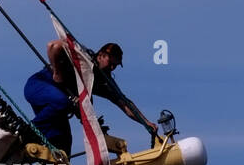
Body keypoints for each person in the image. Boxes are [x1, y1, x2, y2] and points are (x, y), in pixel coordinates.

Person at [24, 39, 158, 156]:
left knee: (63, 145)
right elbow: (53, 46)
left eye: (115, 66)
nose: (112, 68)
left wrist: (145, 122)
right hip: (39, 85)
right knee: (63, 102)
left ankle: (28, 162)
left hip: (55, 106)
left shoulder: (103, 82)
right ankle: (24, 133)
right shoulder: (83, 58)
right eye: (110, 62)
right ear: (101, 55)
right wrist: (57, 72)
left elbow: (124, 103)